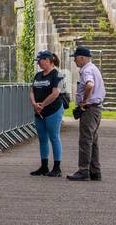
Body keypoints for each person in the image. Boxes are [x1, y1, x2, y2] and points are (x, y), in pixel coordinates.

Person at [67, 45, 106, 181]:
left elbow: (90, 85)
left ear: (82, 58)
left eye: (76, 58)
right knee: (93, 140)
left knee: (85, 140)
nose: (74, 61)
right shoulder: (93, 68)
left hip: (89, 109)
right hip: (96, 108)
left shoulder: (86, 70)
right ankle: (95, 171)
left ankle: (83, 170)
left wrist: (84, 101)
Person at [29, 51, 66, 176]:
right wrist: (34, 104)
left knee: (54, 137)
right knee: (42, 139)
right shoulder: (38, 75)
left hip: (53, 110)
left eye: (40, 60)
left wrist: (42, 105)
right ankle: (44, 166)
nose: (38, 63)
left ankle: (57, 168)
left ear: (47, 60)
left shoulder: (58, 75)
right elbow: (32, 91)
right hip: (39, 111)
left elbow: (56, 93)